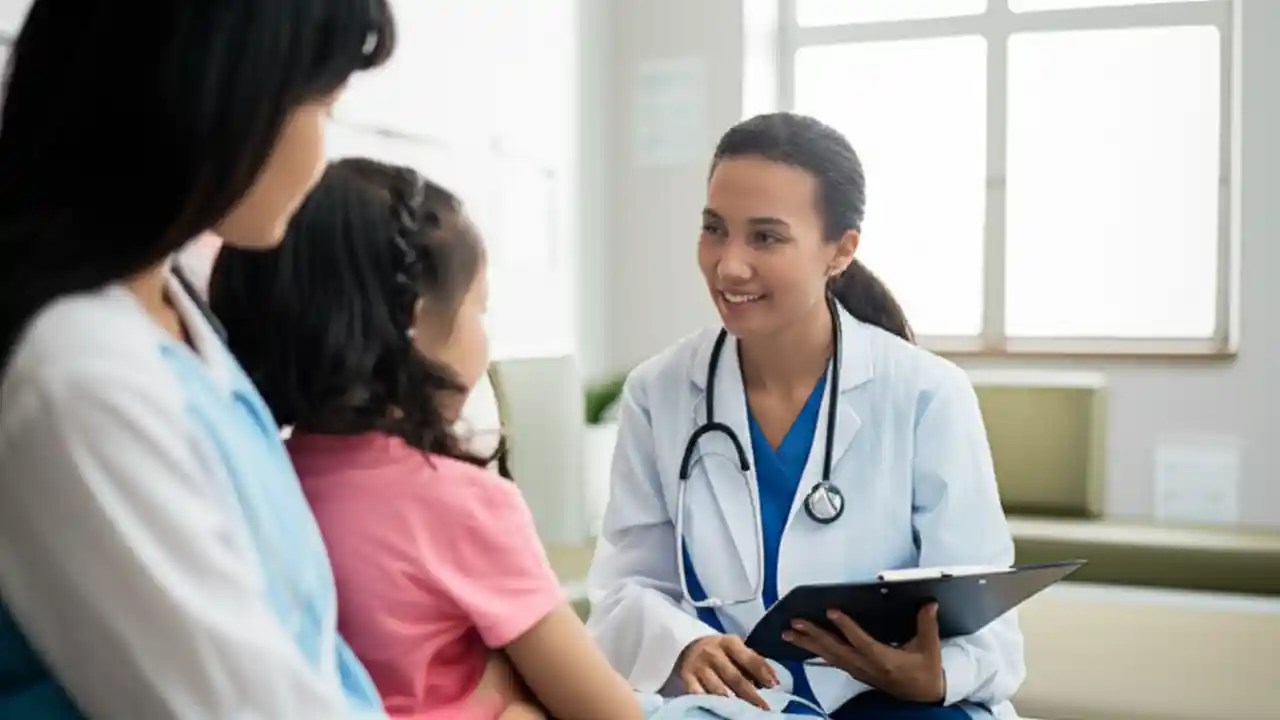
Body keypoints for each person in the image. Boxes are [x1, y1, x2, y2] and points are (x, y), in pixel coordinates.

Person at [0, 2, 395, 718]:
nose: (322, 153)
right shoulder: (77, 376)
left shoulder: (166, 315)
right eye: (323, 108)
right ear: (227, 97)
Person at [585, 113, 1025, 719]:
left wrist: (933, 674)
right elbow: (625, 589)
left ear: (841, 250)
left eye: (766, 238)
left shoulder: (927, 393)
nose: (729, 265)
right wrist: (684, 644)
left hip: (893, 705)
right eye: (715, 229)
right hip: (733, 706)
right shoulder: (657, 393)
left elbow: (989, 622)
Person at [208, 158, 643, 720]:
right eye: (479, 310)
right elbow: (610, 713)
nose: (484, 339)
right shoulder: (458, 501)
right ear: (420, 327)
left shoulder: (261, 476)